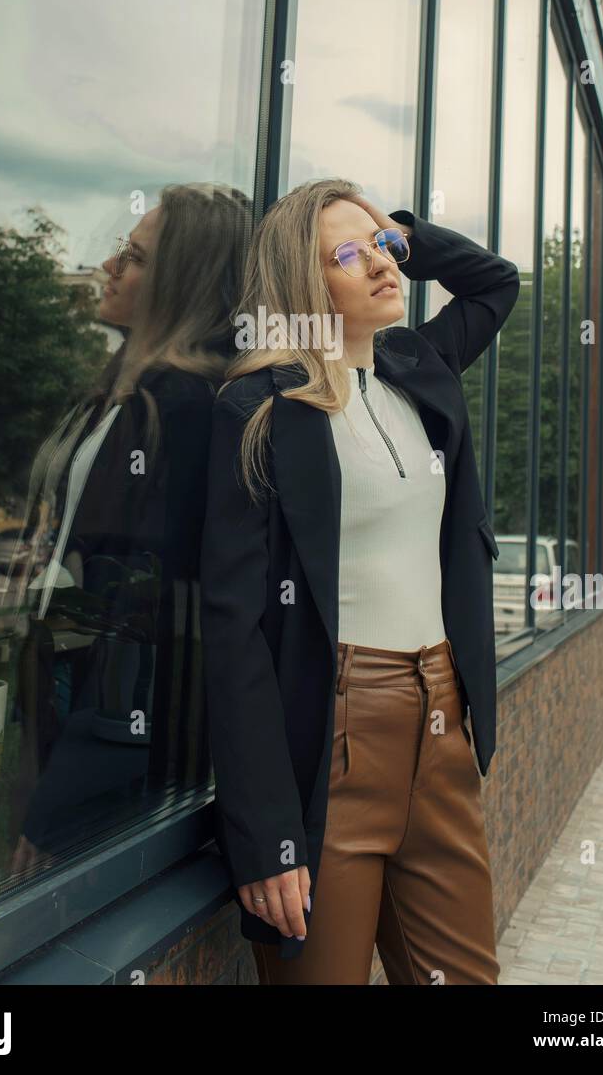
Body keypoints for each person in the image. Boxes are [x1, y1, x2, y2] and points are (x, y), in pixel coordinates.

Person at [200, 177, 519, 985]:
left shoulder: (419, 364)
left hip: (441, 722)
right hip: (333, 740)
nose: (380, 264)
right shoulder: (262, 409)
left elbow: (495, 281)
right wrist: (266, 830)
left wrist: (401, 233)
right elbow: (235, 634)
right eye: (349, 254)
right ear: (305, 285)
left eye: (381, 247)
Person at [6, 182, 251, 874]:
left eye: (135, 257)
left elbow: (139, 625)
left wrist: (63, 798)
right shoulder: (123, 389)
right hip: (59, 716)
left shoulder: (184, 409)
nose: (111, 267)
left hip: (106, 753)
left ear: (181, 283)